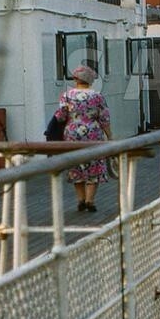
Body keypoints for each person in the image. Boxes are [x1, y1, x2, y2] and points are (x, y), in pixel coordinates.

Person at [54, 65, 112, 213]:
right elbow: (104, 118)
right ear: (90, 80)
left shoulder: (66, 95)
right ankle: (90, 200)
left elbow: (60, 117)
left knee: (76, 165)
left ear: (75, 79)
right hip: (93, 133)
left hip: (72, 134)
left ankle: (80, 200)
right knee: (94, 164)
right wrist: (110, 136)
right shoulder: (97, 96)